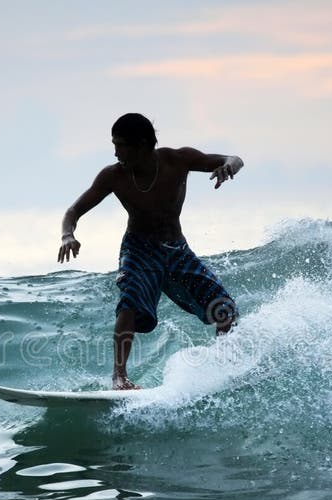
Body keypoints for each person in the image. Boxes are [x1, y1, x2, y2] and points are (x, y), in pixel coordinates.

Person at [57, 113, 243, 390]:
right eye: (114, 144)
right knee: (130, 301)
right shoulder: (113, 177)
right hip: (139, 249)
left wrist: (228, 166)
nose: (115, 152)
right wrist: (67, 235)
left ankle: (224, 367)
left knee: (225, 310)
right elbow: (74, 211)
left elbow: (234, 159)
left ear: (142, 144)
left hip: (176, 249)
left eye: (120, 145)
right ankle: (119, 377)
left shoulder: (178, 160)